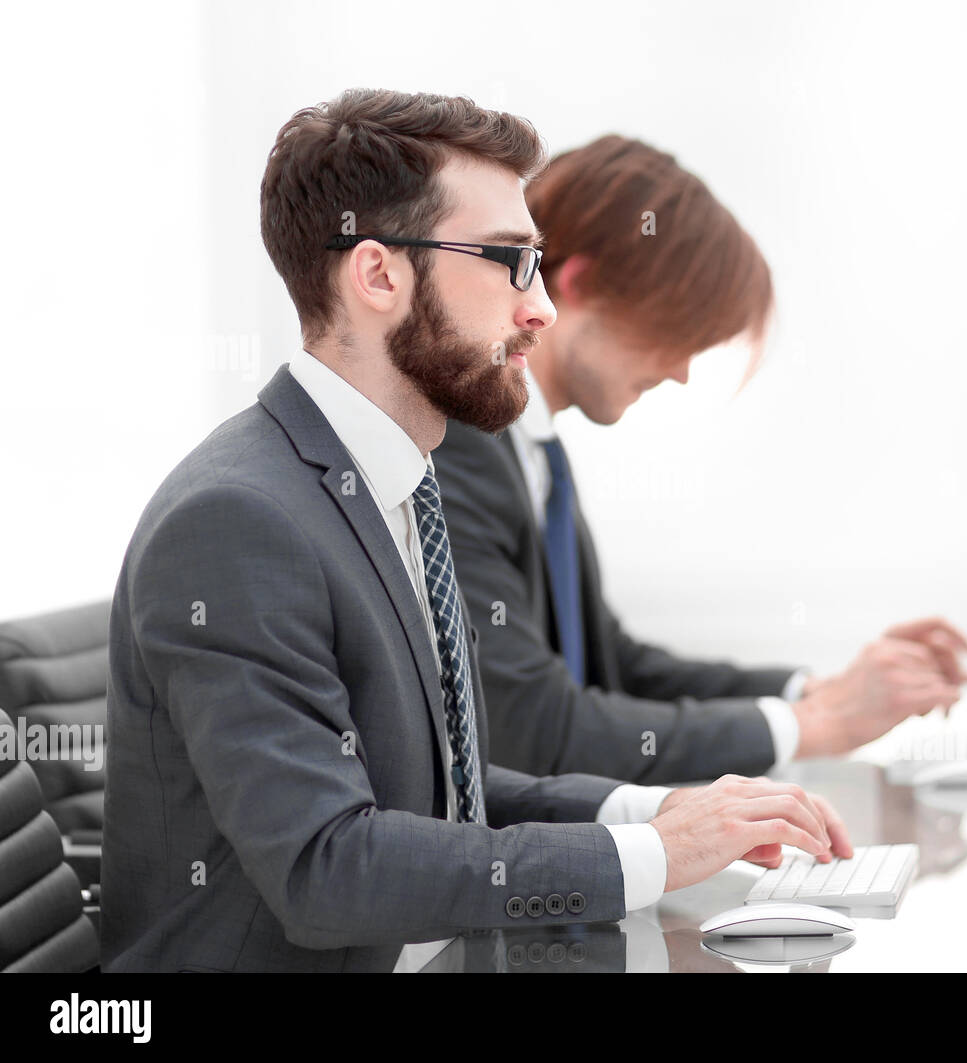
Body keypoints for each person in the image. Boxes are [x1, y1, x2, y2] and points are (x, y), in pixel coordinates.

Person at [99, 89, 851, 973]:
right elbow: (325, 865)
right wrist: (647, 856)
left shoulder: (392, 484)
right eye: (508, 262)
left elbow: (435, 793)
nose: (539, 310)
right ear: (378, 275)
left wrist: (654, 813)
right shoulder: (238, 521)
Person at [434, 135, 967, 784]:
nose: (682, 372)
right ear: (582, 285)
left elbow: (615, 663)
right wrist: (816, 725)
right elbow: (534, 726)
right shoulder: (457, 447)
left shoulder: (536, 454)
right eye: (677, 333)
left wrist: (818, 693)